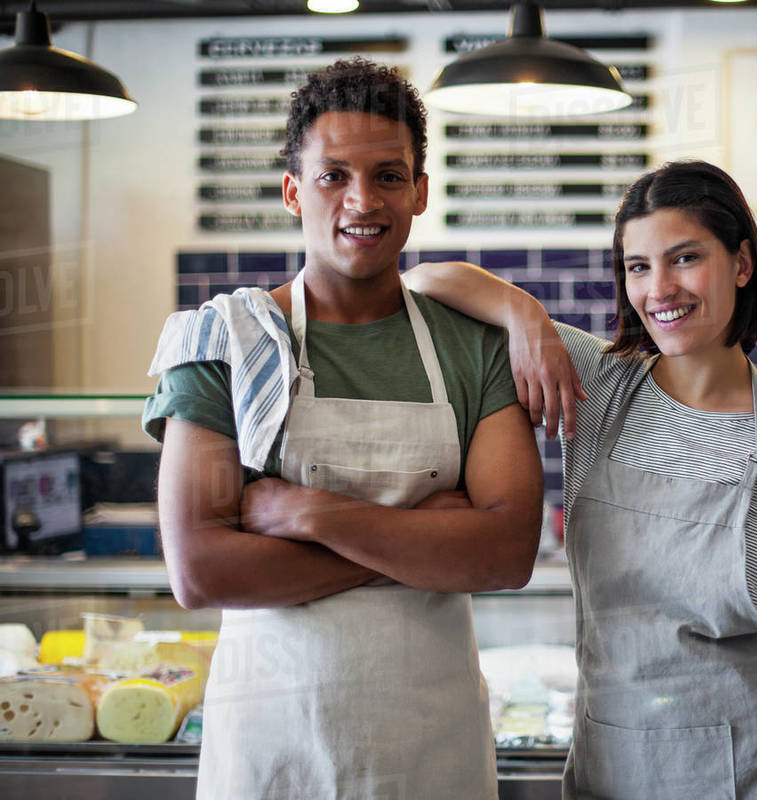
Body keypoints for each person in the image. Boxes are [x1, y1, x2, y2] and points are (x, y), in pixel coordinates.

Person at [404, 160, 757, 799]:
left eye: (684, 258)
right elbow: (423, 282)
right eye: (638, 266)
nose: (660, 289)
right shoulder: (595, 384)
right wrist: (523, 314)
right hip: (613, 765)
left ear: (741, 263)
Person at [143, 58, 543, 799]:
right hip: (271, 750)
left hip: (433, 749)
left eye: (390, 175)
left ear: (420, 191)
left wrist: (309, 514)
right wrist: (417, 542)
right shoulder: (222, 342)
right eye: (333, 176)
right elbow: (201, 570)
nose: (363, 200)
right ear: (294, 191)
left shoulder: (474, 346)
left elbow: (505, 552)